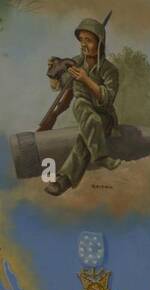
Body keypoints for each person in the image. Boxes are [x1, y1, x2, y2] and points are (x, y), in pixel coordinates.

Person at [44, 16, 121, 197]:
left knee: (87, 131)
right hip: (83, 108)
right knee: (81, 105)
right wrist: (53, 72)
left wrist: (86, 79)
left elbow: (108, 98)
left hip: (104, 116)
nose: (84, 44)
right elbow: (56, 87)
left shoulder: (110, 70)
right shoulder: (74, 62)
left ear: (100, 43)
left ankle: (64, 180)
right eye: (81, 40)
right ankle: (101, 157)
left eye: (89, 40)